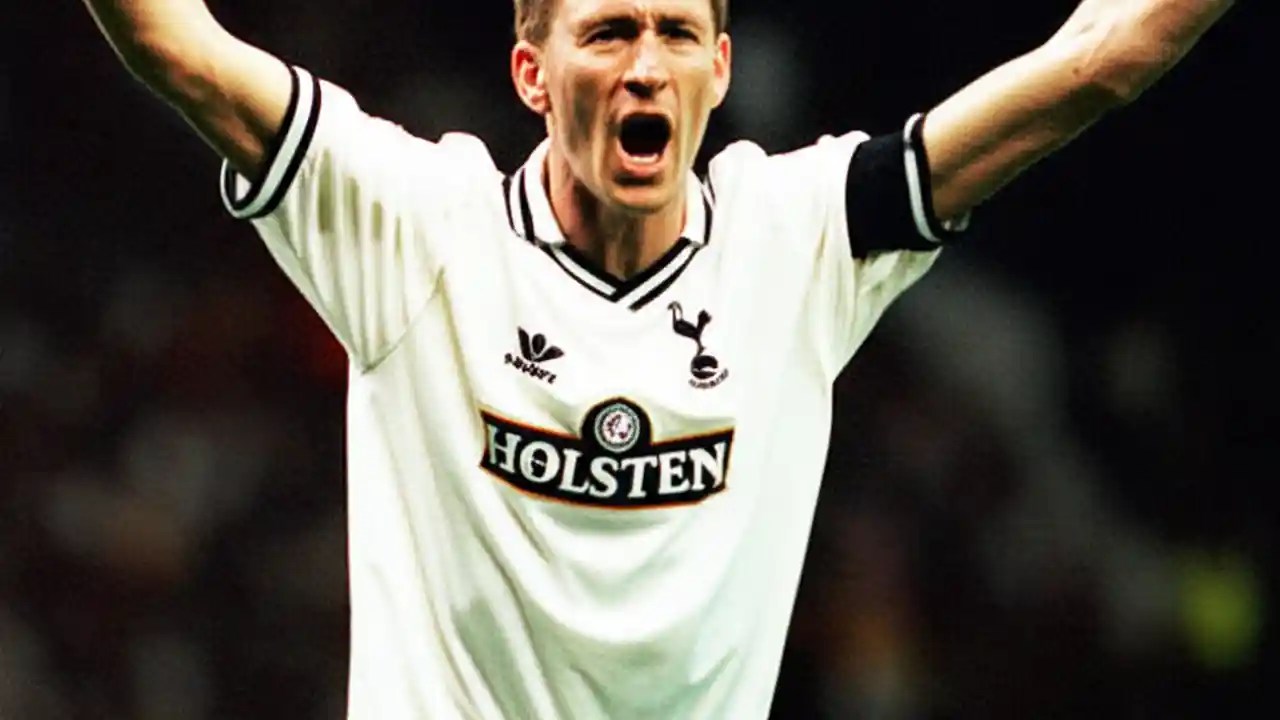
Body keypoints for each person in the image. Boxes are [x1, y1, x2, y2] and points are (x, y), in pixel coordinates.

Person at [79, 0, 1236, 717]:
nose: (645, 65)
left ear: (719, 71)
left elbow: (1102, 55)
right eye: (608, 31)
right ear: (533, 75)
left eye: (676, 33)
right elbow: (171, 43)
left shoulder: (800, 237)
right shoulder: (419, 226)